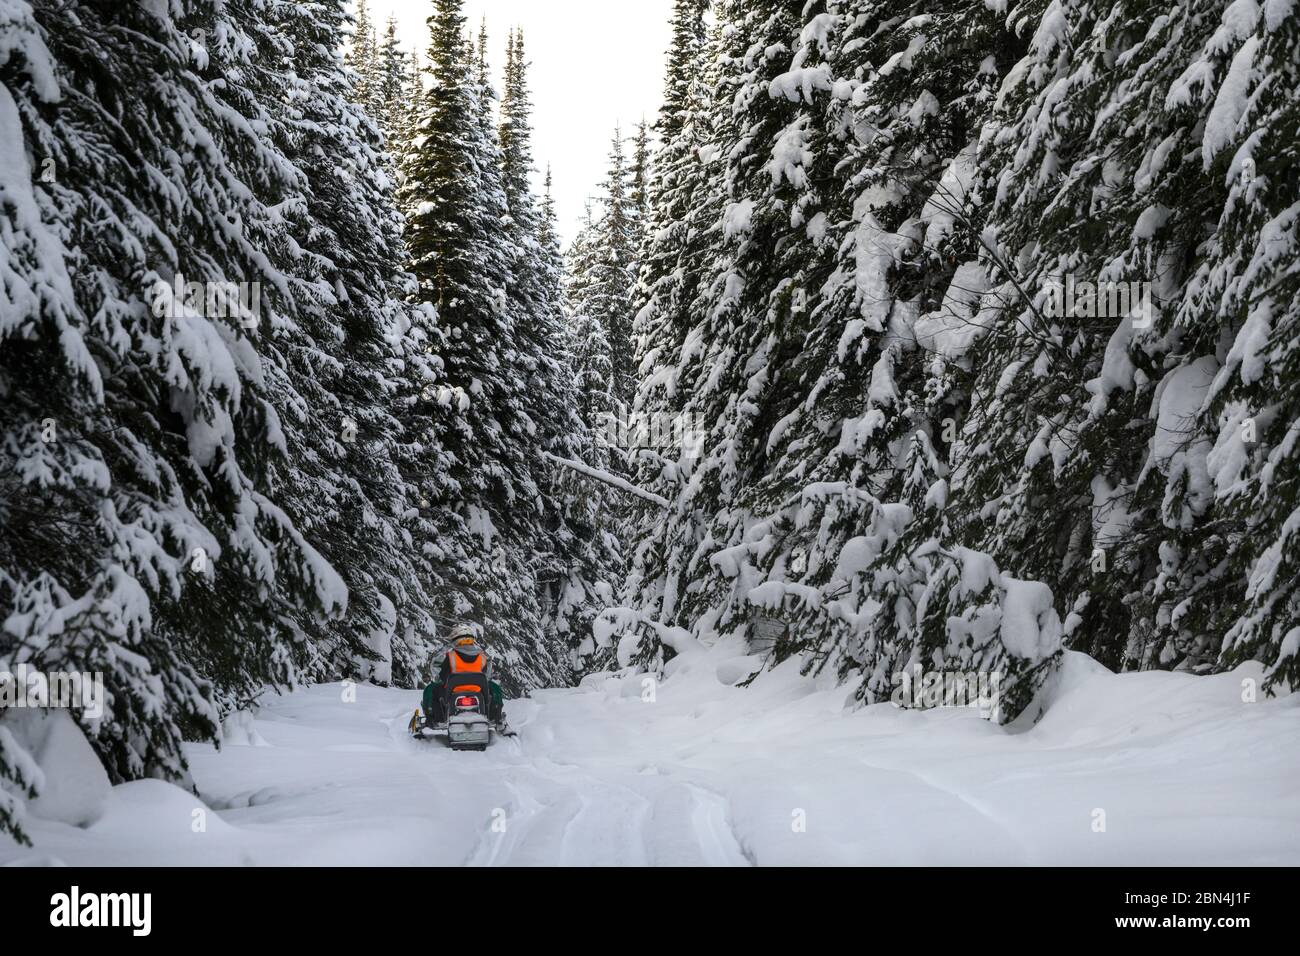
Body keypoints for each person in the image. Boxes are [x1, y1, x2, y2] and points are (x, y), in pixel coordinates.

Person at [421, 625, 505, 725]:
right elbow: (487, 674)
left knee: (431, 689)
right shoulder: (482, 656)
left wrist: (441, 679)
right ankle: (495, 717)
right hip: (477, 690)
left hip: (453, 691)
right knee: (495, 688)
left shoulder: (450, 655)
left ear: (456, 639)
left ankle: (435, 719)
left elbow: (441, 674)